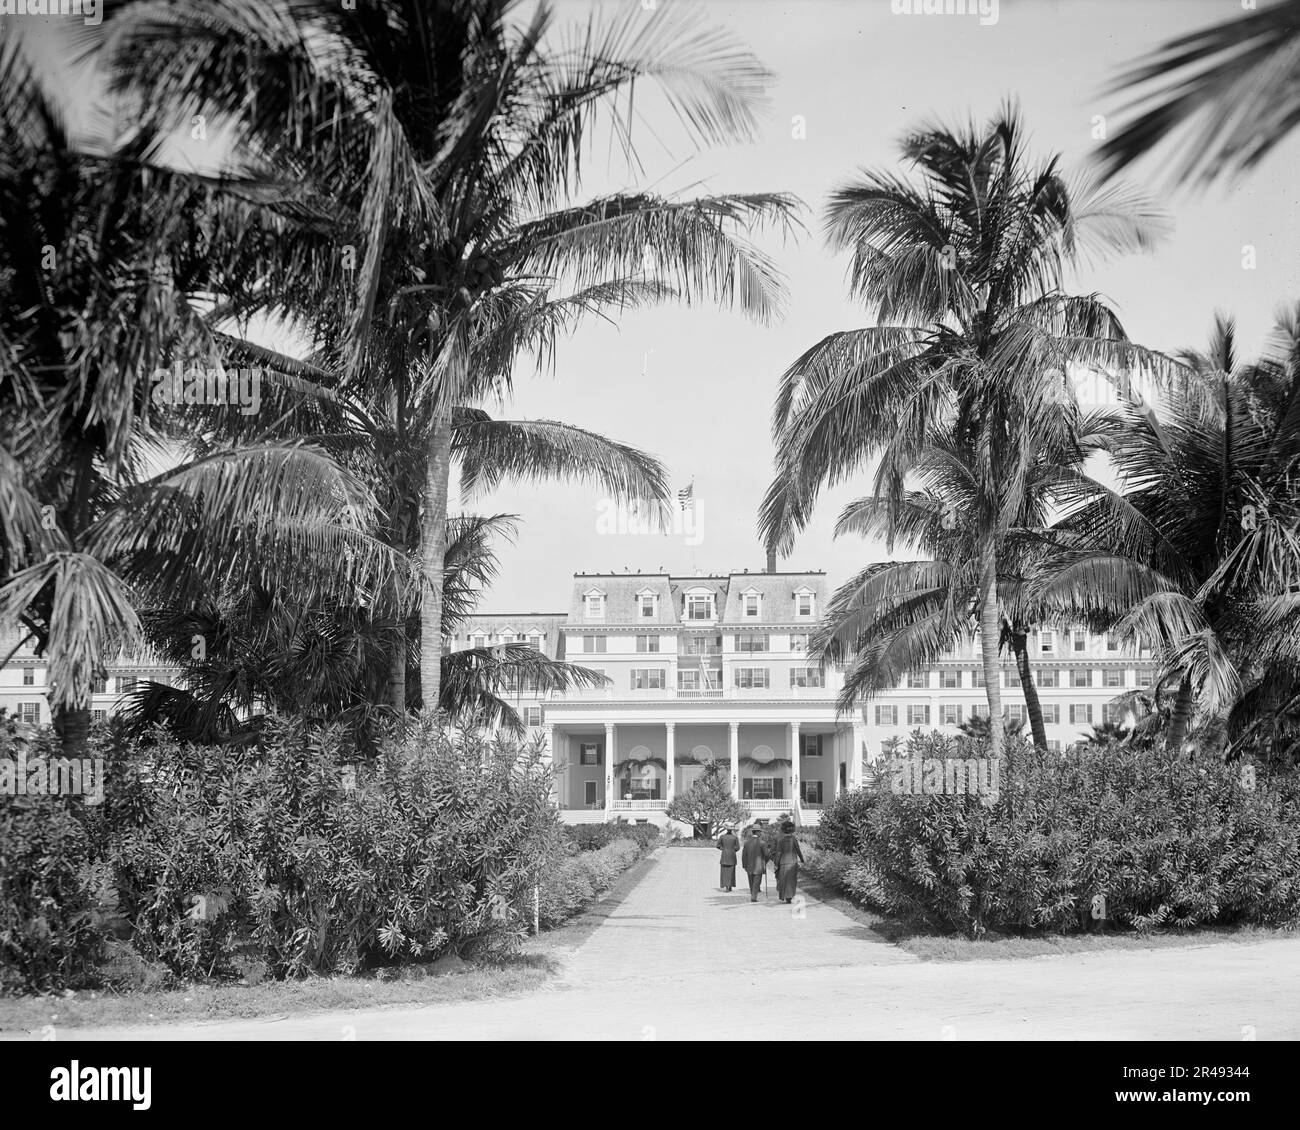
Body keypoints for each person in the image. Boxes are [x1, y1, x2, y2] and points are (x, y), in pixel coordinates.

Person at [774, 821, 804, 903]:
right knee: (791, 880)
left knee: (783, 880)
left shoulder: (781, 840)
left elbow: (778, 853)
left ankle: (784, 896)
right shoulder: (794, 840)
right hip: (793, 863)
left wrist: (776, 863)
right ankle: (789, 897)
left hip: (783, 863)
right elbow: (798, 850)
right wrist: (802, 859)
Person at [741, 824, 768, 902]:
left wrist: (744, 865)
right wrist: (765, 862)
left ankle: (753, 894)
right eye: (760, 832)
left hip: (749, 865)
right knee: (757, 882)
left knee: (751, 881)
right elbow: (766, 854)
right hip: (759, 866)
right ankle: (753, 897)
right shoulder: (762, 843)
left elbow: (744, 855)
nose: (761, 833)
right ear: (758, 832)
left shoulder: (747, 843)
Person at [716, 826, 741, 891]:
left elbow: (718, 846)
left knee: (724, 872)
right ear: (731, 830)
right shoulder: (735, 838)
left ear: (726, 830)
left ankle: (726, 885)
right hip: (732, 856)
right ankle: (730, 885)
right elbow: (738, 848)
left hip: (724, 856)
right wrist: (733, 850)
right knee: (731, 872)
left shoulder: (722, 837)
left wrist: (723, 849)